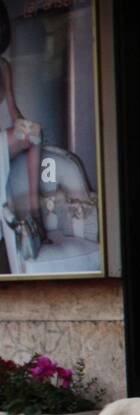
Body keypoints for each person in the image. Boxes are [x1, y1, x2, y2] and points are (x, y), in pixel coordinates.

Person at [0, 0, 45, 261]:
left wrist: (26, 127)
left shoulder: (4, 66)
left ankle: (34, 208)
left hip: (1, 138)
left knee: (35, 132)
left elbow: (15, 110)